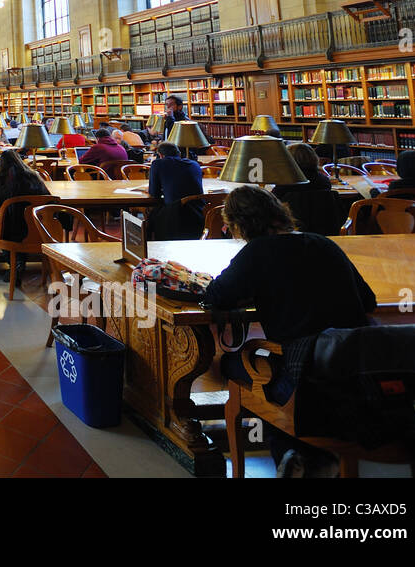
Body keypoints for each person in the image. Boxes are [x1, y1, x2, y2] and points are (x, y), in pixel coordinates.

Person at [204, 186, 376, 477]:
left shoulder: (256, 252)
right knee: (274, 367)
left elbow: (216, 296)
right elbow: (368, 301)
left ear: (241, 224)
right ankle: (308, 455)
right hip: (355, 365)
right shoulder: (323, 244)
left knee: (236, 364)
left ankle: (292, 453)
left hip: (304, 372)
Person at [0, 150, 51, 257]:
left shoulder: (0, 180)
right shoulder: (34, 177)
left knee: (1, 222)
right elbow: (48, 199)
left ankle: (14, 261)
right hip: (39, 228)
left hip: (11, 232)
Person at [273, 143, 344, 236]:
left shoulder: (287, 182)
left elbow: (274, 201)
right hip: (325, 228)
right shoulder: (324, 181)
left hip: (292, 228)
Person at [146, 142, 205, 239]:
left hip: (175, 213)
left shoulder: (158, 164)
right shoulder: (195, 164)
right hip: (199, 214)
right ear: (179, 154)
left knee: (151, 215)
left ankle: (151, 246)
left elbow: (154, 194)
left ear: (160, 155)